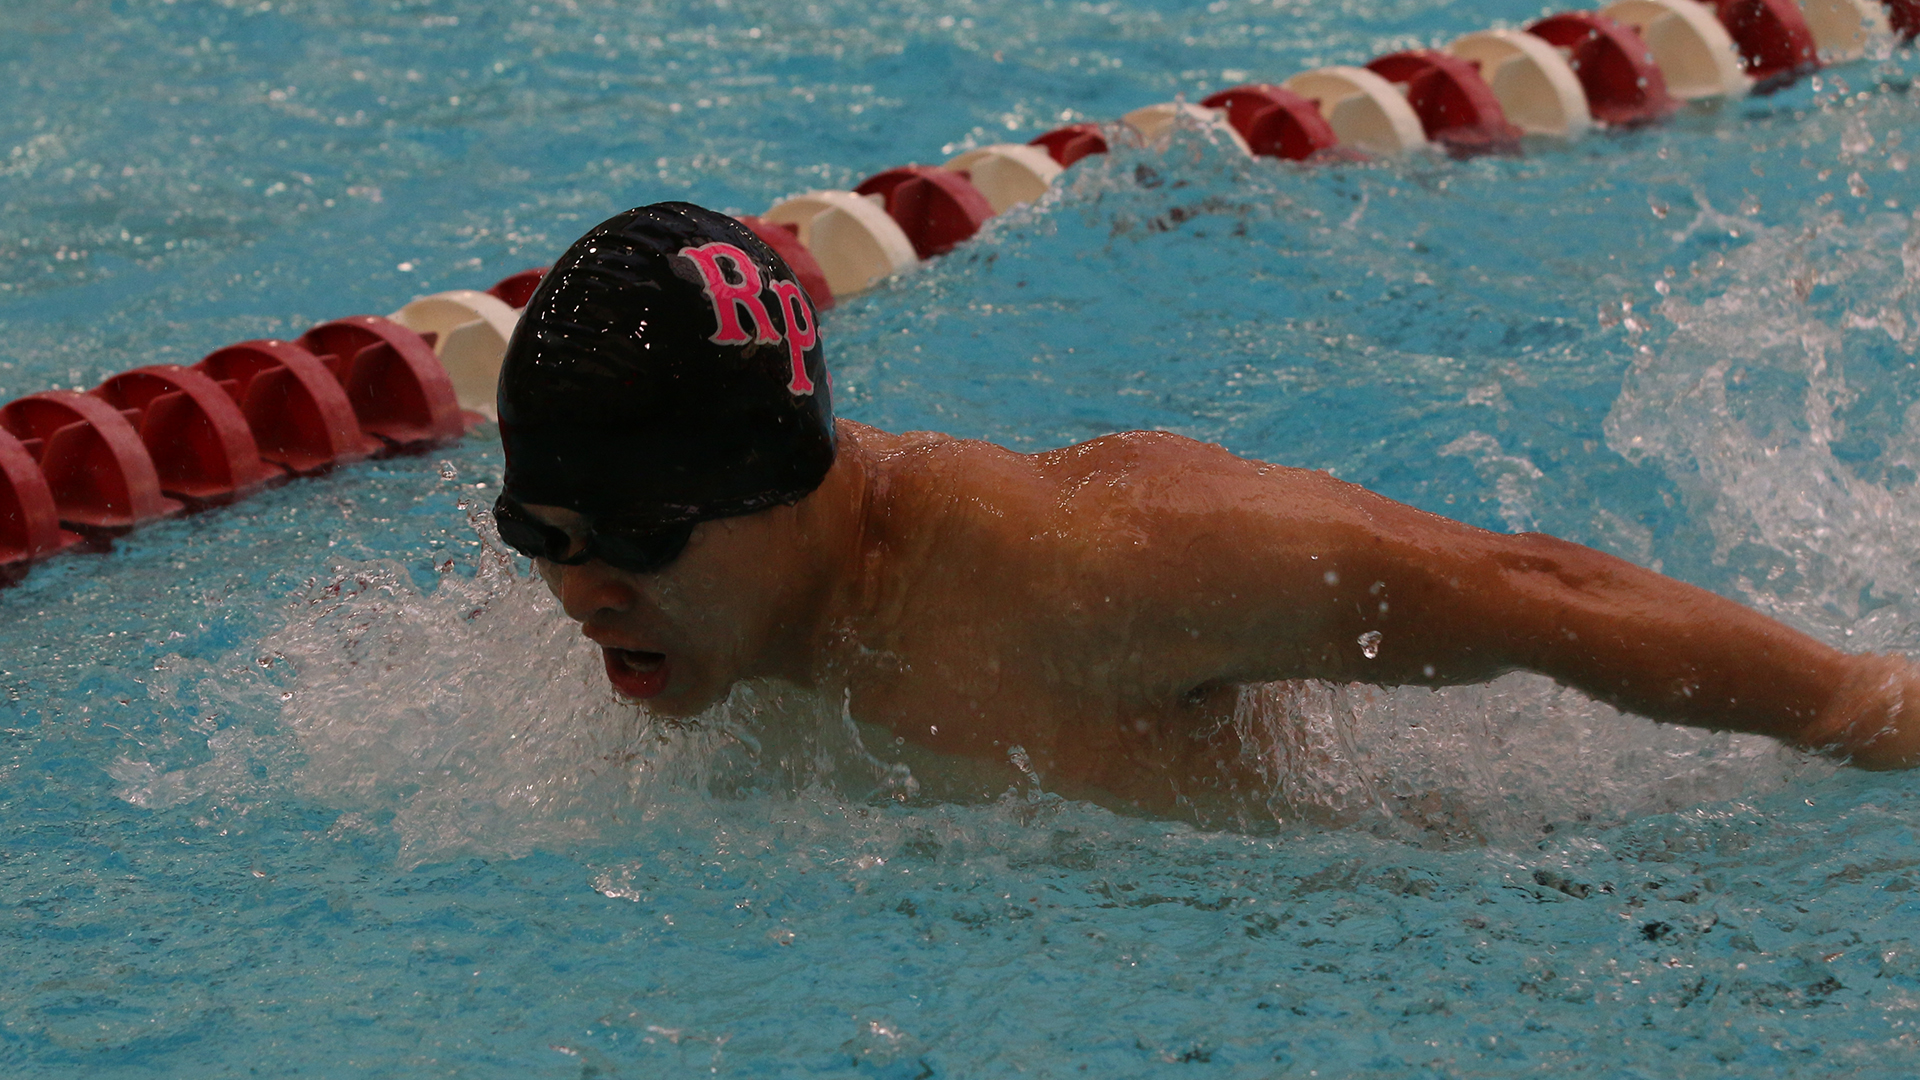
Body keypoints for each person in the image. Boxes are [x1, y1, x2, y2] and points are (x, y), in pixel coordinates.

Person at [493, 201, 1920, 812]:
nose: (580, 595)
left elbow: (1533, 595)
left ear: (783, 486)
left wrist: (1862, 709)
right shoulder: (664, 625)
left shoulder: (1091, 573)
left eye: (636, 543)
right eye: (541, 540)